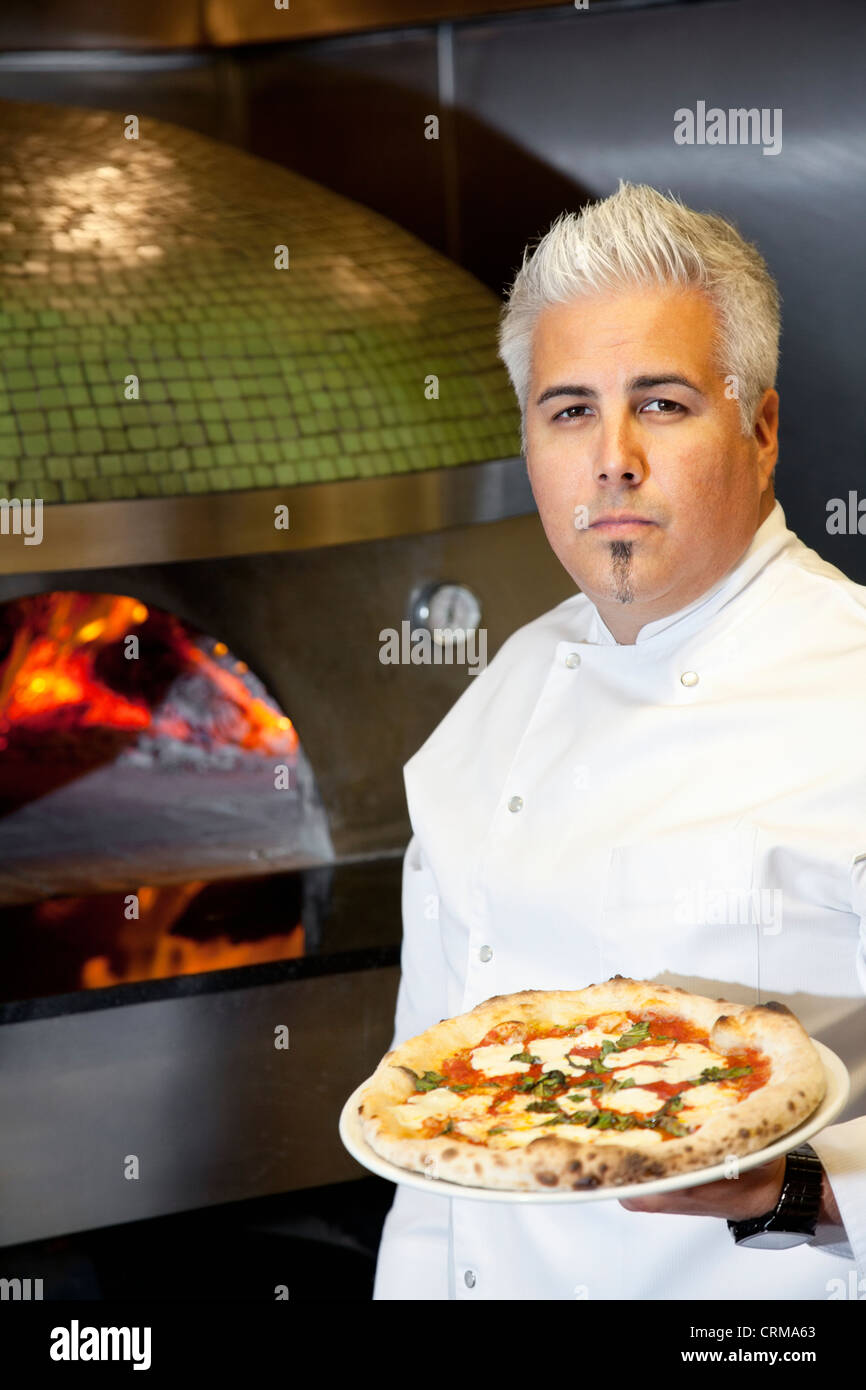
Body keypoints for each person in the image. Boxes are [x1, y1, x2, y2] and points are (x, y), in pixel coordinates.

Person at [372, 183, 865, 1300]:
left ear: (762, 426)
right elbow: (421, 1150)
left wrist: (796, 1186)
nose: (611, 460)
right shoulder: (490, 709)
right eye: (568, 411)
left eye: (661, 402)